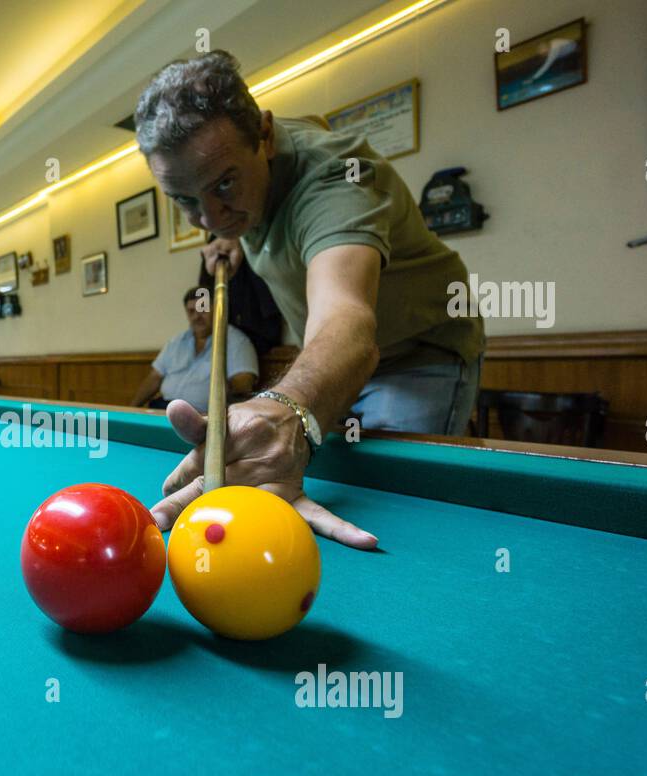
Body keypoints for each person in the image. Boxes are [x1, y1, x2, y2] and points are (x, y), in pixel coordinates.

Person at [134, 51, 485, 548]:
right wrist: (234, 234)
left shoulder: (339, 182)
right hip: (329, 361)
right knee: (297, 475)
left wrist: (284, 407)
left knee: (390, 514)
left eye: (224, 185)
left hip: (419, 355)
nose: (208, 217)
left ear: (267, 136)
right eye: (186, 201)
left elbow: (349, 321)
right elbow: (227, 204)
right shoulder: (238, 188)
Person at [131, 287, 258, 412]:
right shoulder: (176, 342)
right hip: (163, 409)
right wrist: (130, 409)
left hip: (202, 418)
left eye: (202, 309)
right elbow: (154, 378)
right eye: (191, 311)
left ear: (216, 309)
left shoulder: (237, 342)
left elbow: (243, 386)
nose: (197, 316)